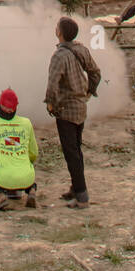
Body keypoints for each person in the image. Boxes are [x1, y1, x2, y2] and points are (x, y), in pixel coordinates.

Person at [45, 16, 101, 208]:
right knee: (76, 149)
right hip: (80, 106)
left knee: (71, 153)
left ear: (59, 33)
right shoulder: (81, 49)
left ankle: (82, 196)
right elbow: (95, 72)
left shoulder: (59, 55)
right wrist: (89, 90)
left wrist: (50, 104)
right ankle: (75, 188)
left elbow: (53, 83)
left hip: (65, 109)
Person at [0, 87, 39, 210]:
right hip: (26, 177)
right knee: (26, 165)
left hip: (4, 178)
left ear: (0, 104)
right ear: (15, 108)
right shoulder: (27, 123)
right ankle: (31, 190)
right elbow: (34, 153)